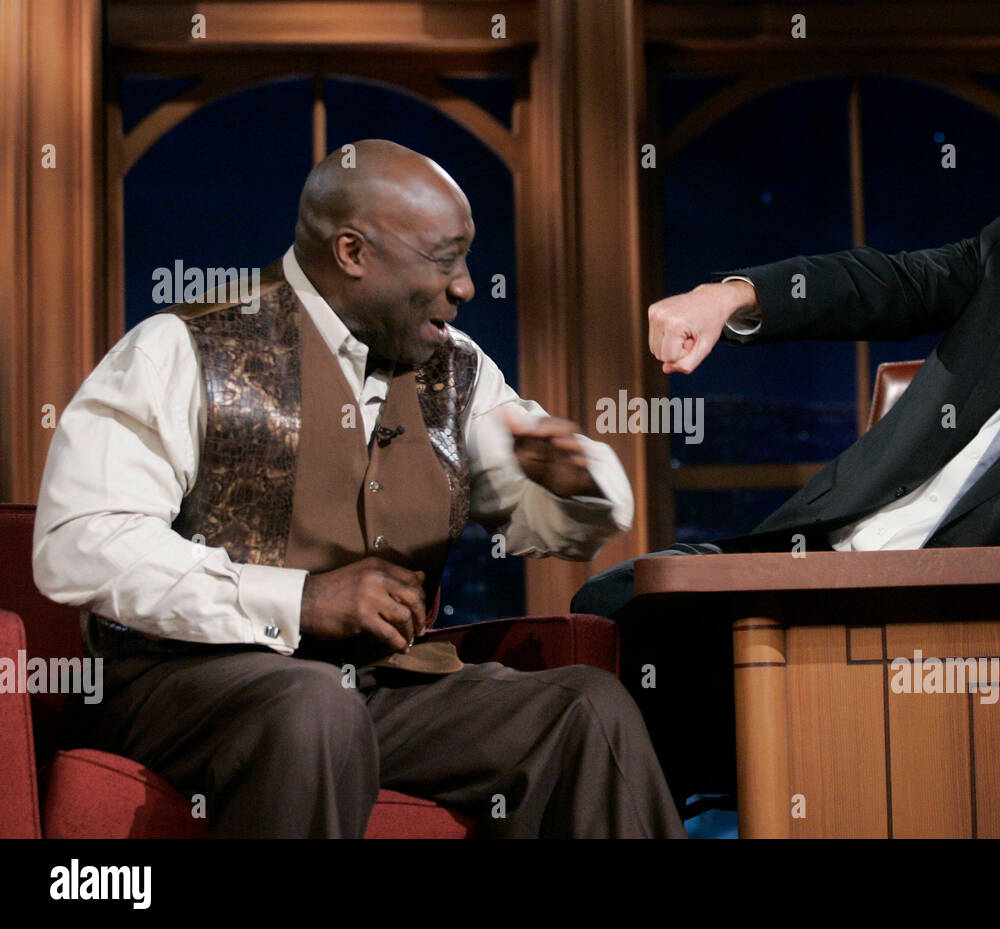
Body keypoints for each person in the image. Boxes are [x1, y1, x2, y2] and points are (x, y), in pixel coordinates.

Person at [33, 139, 685, 838]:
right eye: (444, 259)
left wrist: (577, 482)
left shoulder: (460, 371)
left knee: (587, 710)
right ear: (352, 253)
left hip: (371, 688)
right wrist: (301, 599)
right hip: (180, 684)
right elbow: (79, 543)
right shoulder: (179, 348)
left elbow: (542, 524)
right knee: (313, 706)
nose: (465, 285)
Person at [573, 136, 1000, 802]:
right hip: (809, 566)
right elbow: (875, 285)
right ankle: (714, 793)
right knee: (613, 607)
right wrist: (727, 299)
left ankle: (737, 793)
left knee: (702, 704)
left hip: (935, 646)